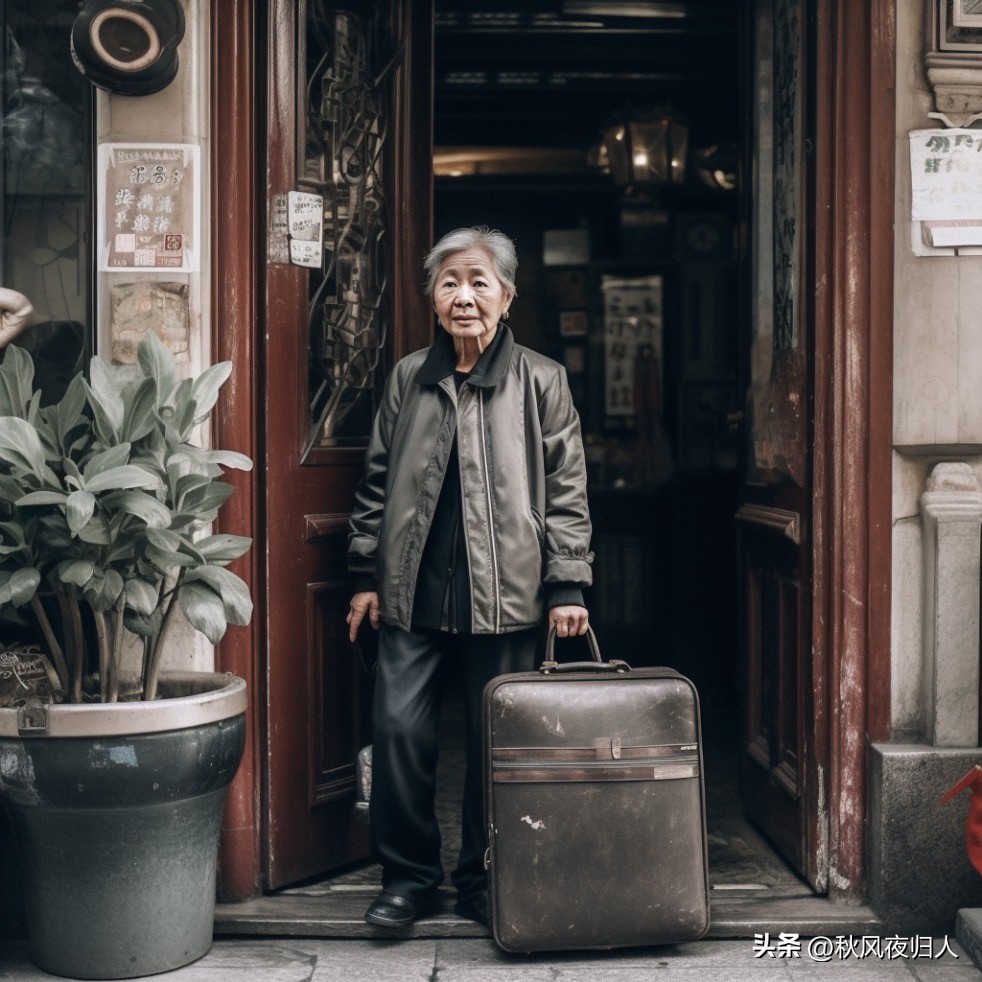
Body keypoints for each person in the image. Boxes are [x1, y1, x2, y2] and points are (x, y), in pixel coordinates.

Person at [347, 226, 593, 930]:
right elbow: (375, 483)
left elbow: (569, 489)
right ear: (432, 297)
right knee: (399, 736)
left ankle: (486, 880)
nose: (464, 297)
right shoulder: (408, 377)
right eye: (449, 282)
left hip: (508, 594)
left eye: (479, 282)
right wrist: (365, 574)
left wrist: (566, 585)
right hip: (412, 592)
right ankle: (409, 880)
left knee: (498, 745)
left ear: (507, 297)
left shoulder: (542, 380)